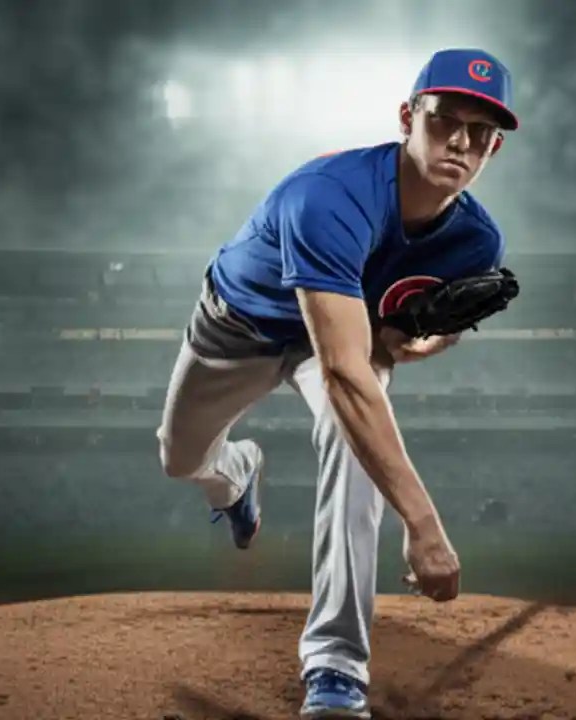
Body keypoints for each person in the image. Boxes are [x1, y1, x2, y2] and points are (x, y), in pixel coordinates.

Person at [156, 47, 519, 719]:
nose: (462, 142)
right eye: (445, 121)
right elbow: (345, 374)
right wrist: (425, 526)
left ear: (495, 147)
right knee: (180, 458)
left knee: (358, 439)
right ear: (408, 118)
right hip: (237, 328)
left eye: (482, 132)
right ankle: (235, 476)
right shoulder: (329, 194)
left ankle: (335, 664)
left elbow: (419, 338)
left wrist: (420, 339)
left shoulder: (476, 243)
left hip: (340, 342)